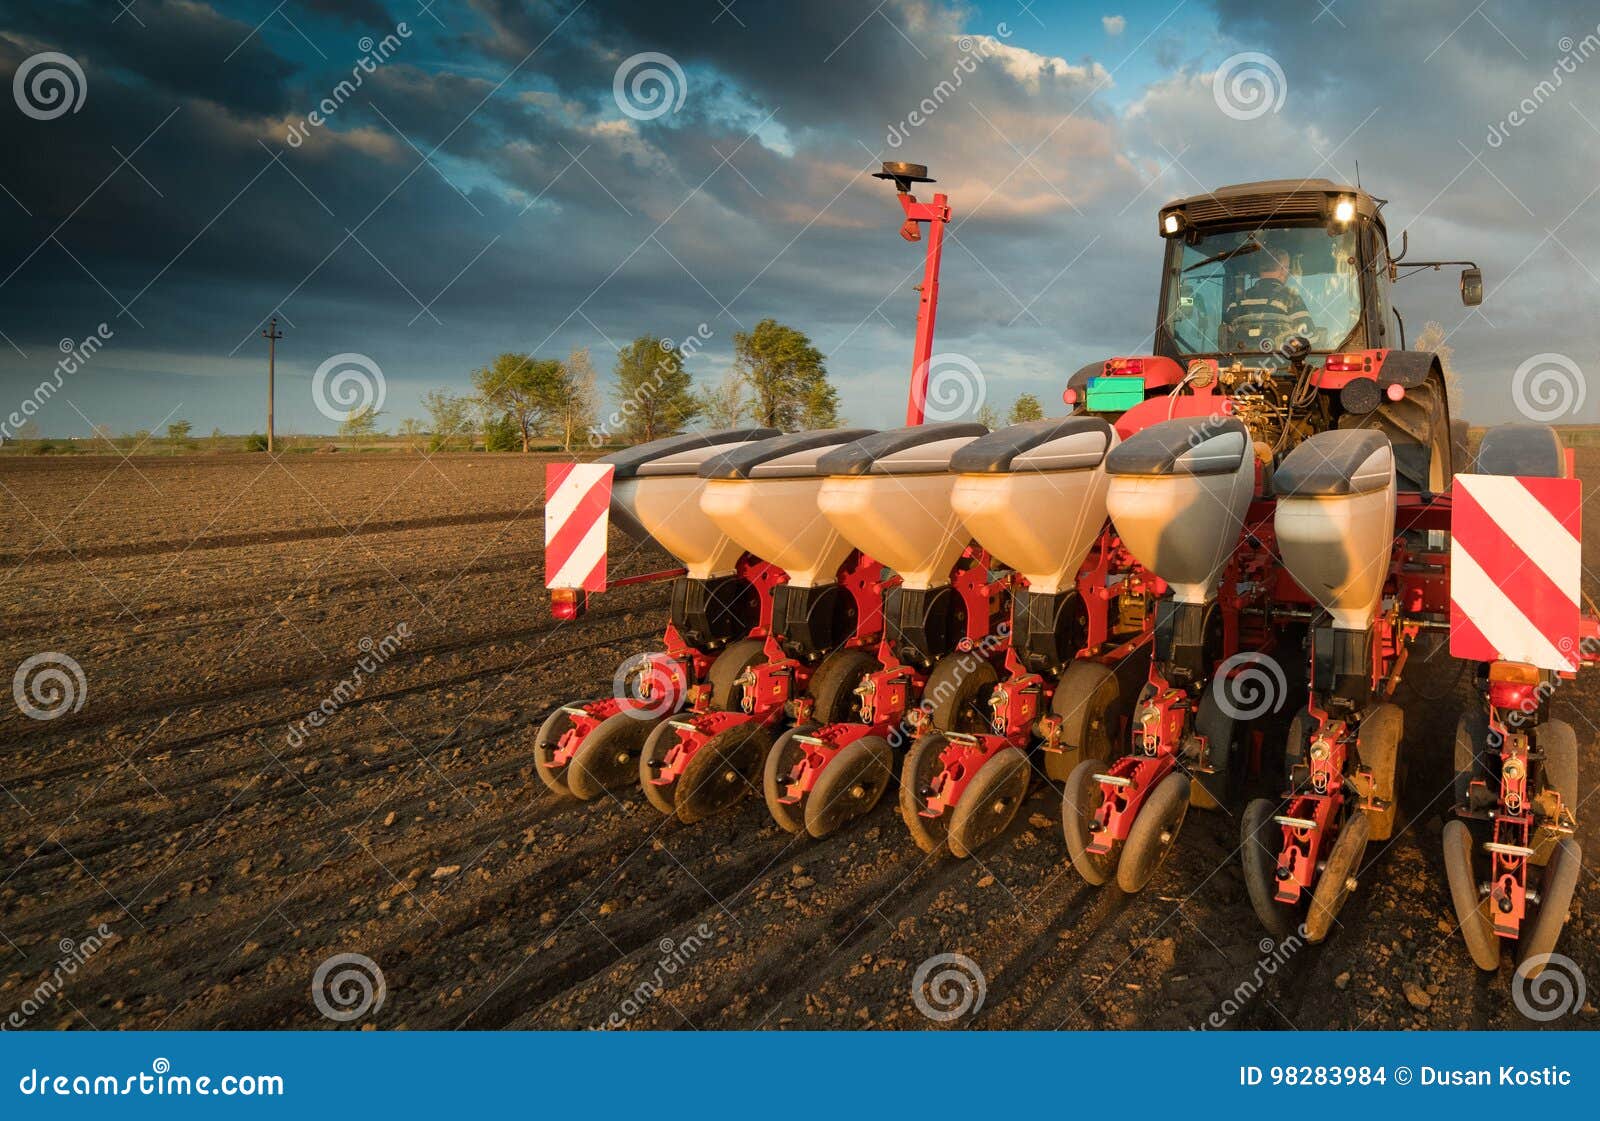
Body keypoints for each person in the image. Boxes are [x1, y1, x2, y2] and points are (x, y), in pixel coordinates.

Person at [1220, 241, 1314, 350]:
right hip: (1280, 364)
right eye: (1288, 268)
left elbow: (1228, 339)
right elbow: (1310, 337)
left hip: (1241, 364)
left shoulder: (1237, 301)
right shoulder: (1289, 297)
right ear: (1283, 270)